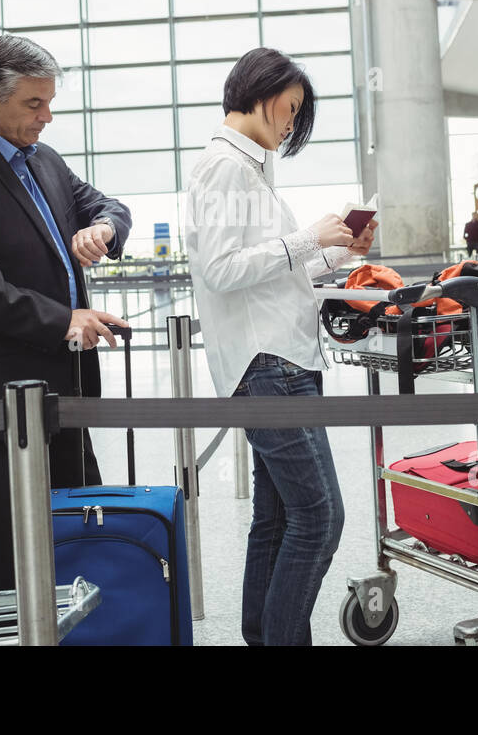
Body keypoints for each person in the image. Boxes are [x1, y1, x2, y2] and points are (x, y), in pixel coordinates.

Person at [0, 34, 131, 592]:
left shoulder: (45, 161)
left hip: (65, 389)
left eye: (50, 101)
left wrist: (104, 228)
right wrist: (65, 319)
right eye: (34, 104)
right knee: (8, 548)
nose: (48, 116)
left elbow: (106, 205)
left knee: (76, 532)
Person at [184, 47, 377, 646]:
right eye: (290, 109)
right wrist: (303, 239)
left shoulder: (251, 171)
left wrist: (338, 249)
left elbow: (266, 274)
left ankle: (262, 635)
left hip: (281, 359)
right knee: (320, 518)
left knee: (278, 517)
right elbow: (219, 269)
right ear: (257, 91)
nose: (292, 124)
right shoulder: (225, 168)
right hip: (268, 366)